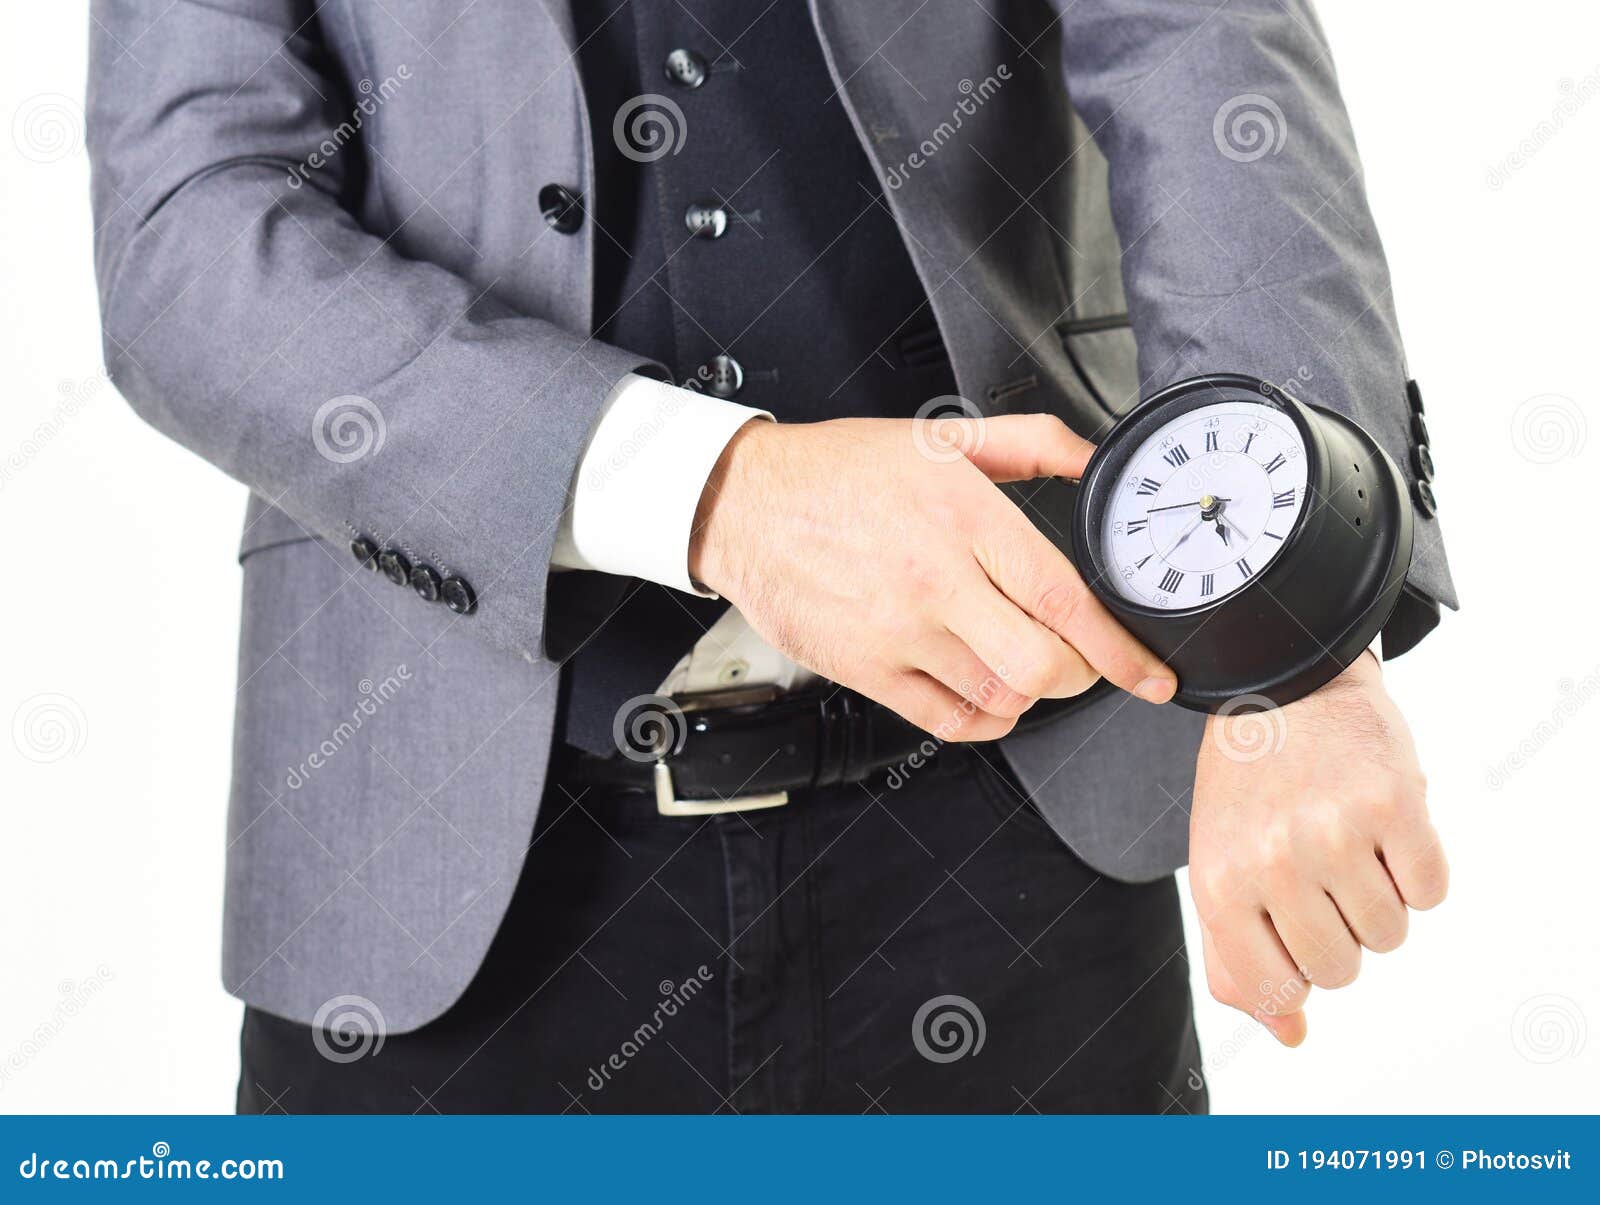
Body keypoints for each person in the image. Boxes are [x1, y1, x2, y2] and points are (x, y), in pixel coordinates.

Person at [86, 0, 1453, 1112]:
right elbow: (187, 230)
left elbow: (1196, 39)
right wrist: (721, 493)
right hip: (433, 866)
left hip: (1028, 823)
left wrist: (1292, 631)